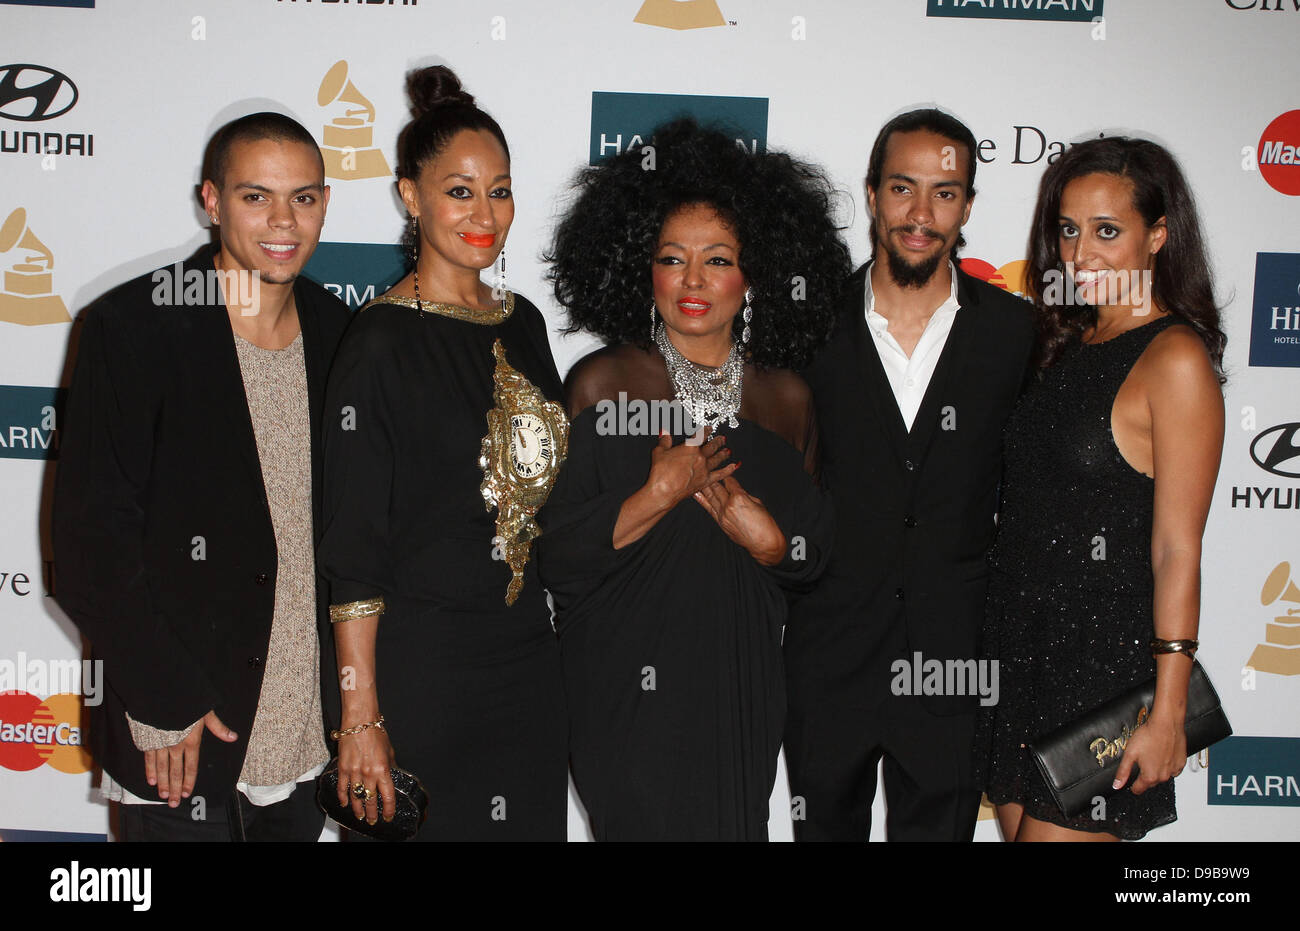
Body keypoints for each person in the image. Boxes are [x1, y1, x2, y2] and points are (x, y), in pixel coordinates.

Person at [539, 118, 845, 840]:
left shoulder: (786, 398)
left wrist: (773, 544)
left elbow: (814, 554)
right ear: (643, 268)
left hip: (738, 688)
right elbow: (557, 556)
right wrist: (656, 494)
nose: (694, 281)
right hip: (625, 689)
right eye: (673, 259)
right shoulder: (602, 382)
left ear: (757, 271)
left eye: (718, 259)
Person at [52, 112, 352, 841]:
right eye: (256, 197)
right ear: (211, 201)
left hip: (304, 742)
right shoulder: (133, 327)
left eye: (303, 198)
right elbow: (89, 549)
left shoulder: (343, 334)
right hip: (179, 738)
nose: (283, 221)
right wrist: (163, 697)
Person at [316, 65, 567, 840]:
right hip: (422, 675)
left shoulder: (522, 322)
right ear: (409, 195)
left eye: (500, 188)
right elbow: (352, 548)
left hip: (528, 665)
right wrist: (360, 716)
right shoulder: (379, 341)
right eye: (459, 190)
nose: (484, 212)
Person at [783, 108, 1035, 841]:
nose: (921, 214)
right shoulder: (808, 325)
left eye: (945, 192)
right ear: (870, 194)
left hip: (954, 665)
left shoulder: (1013, 333)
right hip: (828, 658)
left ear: (968, 207)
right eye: (902, 188)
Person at [975, 136, 1226, 841]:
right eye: (1068, 230)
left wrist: (1168, 706)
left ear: (1158, 235)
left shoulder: (1173, 358)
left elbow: (1178, 548)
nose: (1080, 254)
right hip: (1023, 652)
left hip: (1101, 670)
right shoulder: (1062, 343)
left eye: (1107, 231)